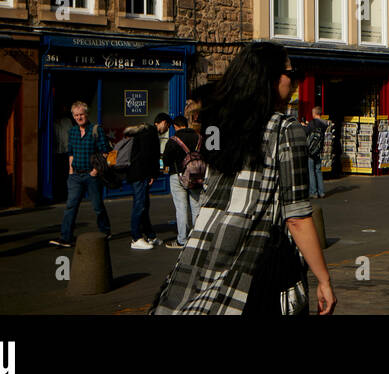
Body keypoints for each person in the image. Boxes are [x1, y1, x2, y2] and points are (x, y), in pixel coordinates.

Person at [151, 42, 336, 315]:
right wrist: (324, 280)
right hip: (256, 261)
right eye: (290, 72)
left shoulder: (221, 125)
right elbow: (296, 216)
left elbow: (209, 190)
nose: (294, 81)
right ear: (270, 78)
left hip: (203, 250)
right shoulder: (286, 128)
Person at [50, 101, 112, 247]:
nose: (79, 117)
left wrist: (95, 171)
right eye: (76, 115)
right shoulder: (72, 132)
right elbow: (70, 153)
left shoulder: (96, 130)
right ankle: (66, 237)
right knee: (71, 206)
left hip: (92, 175)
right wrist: (70, 171)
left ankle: (105, 231)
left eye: (81, 115)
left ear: (86, 114)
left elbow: (105, 152)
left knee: (97, 206)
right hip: (76, 176)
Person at [162, 115, 202, 250]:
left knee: (181, 208)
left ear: (175, 126)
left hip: (177, 175)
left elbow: (166, 160)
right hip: (196, 176)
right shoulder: (199, 138)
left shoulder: (173, 140)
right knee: (196, 206)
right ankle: (198, 237)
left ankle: (182, 240)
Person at [126, 116, 165, 249]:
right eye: (167, 126)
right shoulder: (151, 134)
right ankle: (136, 237)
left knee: (143, 205)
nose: (166, 130)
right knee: (140, 205)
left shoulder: (144, 132)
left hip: (138, 173)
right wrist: (153, 174)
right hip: (141, 175)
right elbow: (149, 156)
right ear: (163, 123)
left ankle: (150, 235)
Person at [306, 107, 328, 199]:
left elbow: (307, 132)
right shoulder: (324, 124)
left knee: (311, 171)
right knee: (318, 170)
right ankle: (321, 192)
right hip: (319, 149)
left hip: (311, 150)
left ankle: (313, 192)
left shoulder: (312, 123)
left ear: (314, 113)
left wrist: (304, 125)